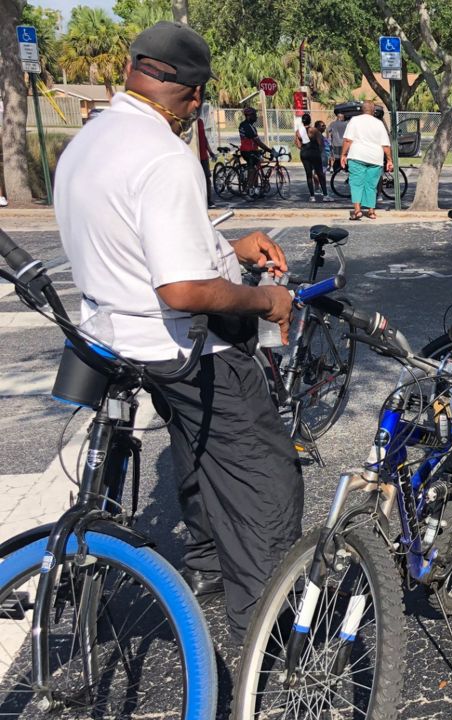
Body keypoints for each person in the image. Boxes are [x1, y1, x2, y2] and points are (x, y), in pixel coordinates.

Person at [51, 21, 303, 642]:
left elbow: (135, 245)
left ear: (134, 70)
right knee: (265, 476)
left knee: (194, 449)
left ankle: (209, 561)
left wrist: (228, 246)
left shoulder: (90, 140)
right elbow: (182, 291)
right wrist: (265, 298)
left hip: (113, 339)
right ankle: (268, 634)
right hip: (181, 346)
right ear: (193, 97)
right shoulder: (164, 156)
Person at [339, 101, 391, 220]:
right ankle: (371, 211)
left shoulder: (354, 121)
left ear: (362, 110)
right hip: (375, 158)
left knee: (356, 183)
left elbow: (348, 140)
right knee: (371, 185)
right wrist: (389, 160)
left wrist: (343, 154)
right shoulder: (379, 123)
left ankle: (357, 211)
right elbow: (385, 145)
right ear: (373, 111)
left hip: (357, 156)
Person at [238, 106, 270, 194]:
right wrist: (269, 150)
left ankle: (256, 190)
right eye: (254, 115)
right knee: (252, 169)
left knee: (256, 167)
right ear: (248, 116)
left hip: (248, 150)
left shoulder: (244, 125)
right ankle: (248, 189)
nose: (256, 117)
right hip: (249, 151)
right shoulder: (248, 126)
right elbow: (258, 142)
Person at [297, 113, 327, 202]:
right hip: (314, 152)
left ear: (302, 122)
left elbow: (298, 145)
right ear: (310, 121)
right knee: (320, 174)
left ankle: (312, 196)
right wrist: (320, 152)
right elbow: (320, 143)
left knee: (308, 175)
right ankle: (325, 195)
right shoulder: (314, 130)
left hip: (304, 153)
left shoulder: (298, 131)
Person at [326, 110, 348, 189]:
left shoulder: (333, 124)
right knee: (344, 156)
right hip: (344, 144)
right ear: (342, 117)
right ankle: (345, 168)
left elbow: (328, 131)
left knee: (335, 157)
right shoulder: (346, 124)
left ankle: (334, 168)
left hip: (335, 143)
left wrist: (329, 138)